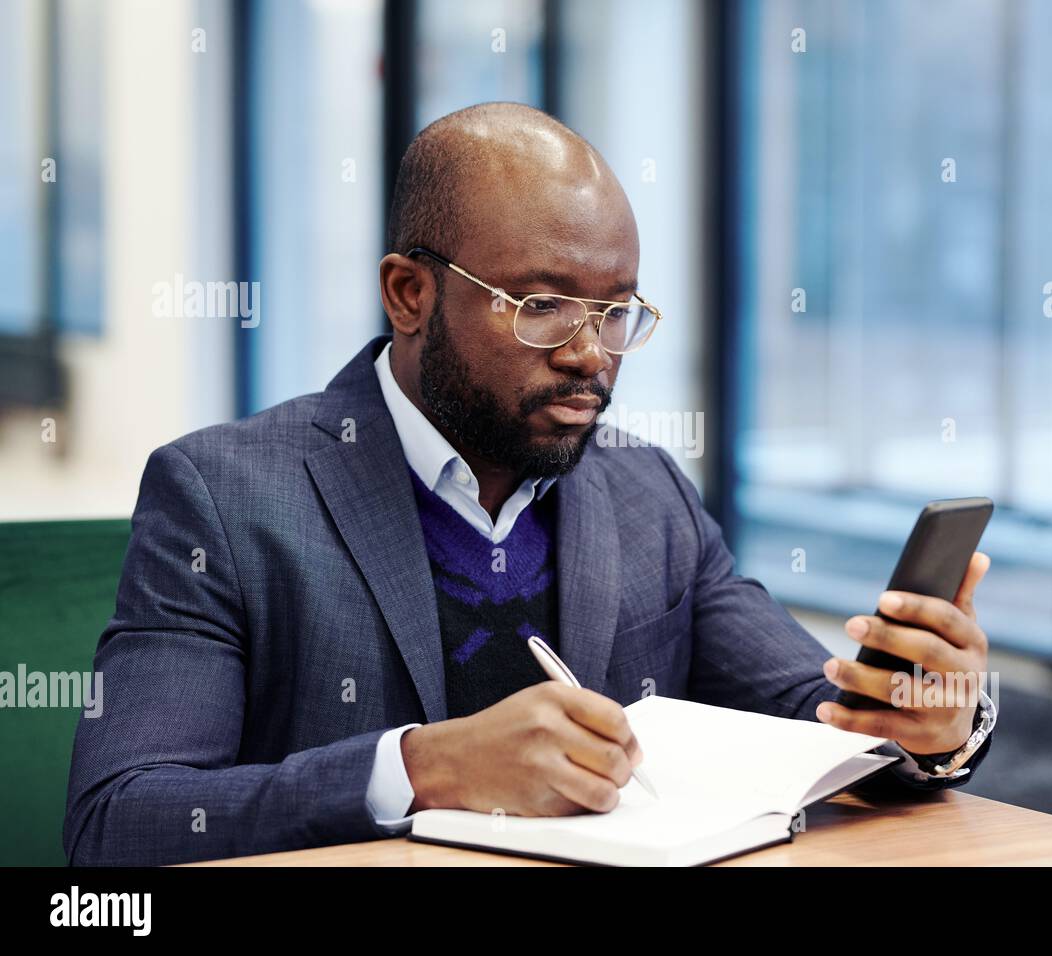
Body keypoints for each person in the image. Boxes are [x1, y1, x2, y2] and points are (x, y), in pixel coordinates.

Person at [64, 102, 994, 866]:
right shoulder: (224, 496)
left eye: (616, 312)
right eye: (543, 308)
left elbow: (811, 717)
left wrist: (923, 721)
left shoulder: (646, 491)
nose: (591, 355)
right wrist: (422, 770)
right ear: (408, 294)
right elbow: (119, 823)